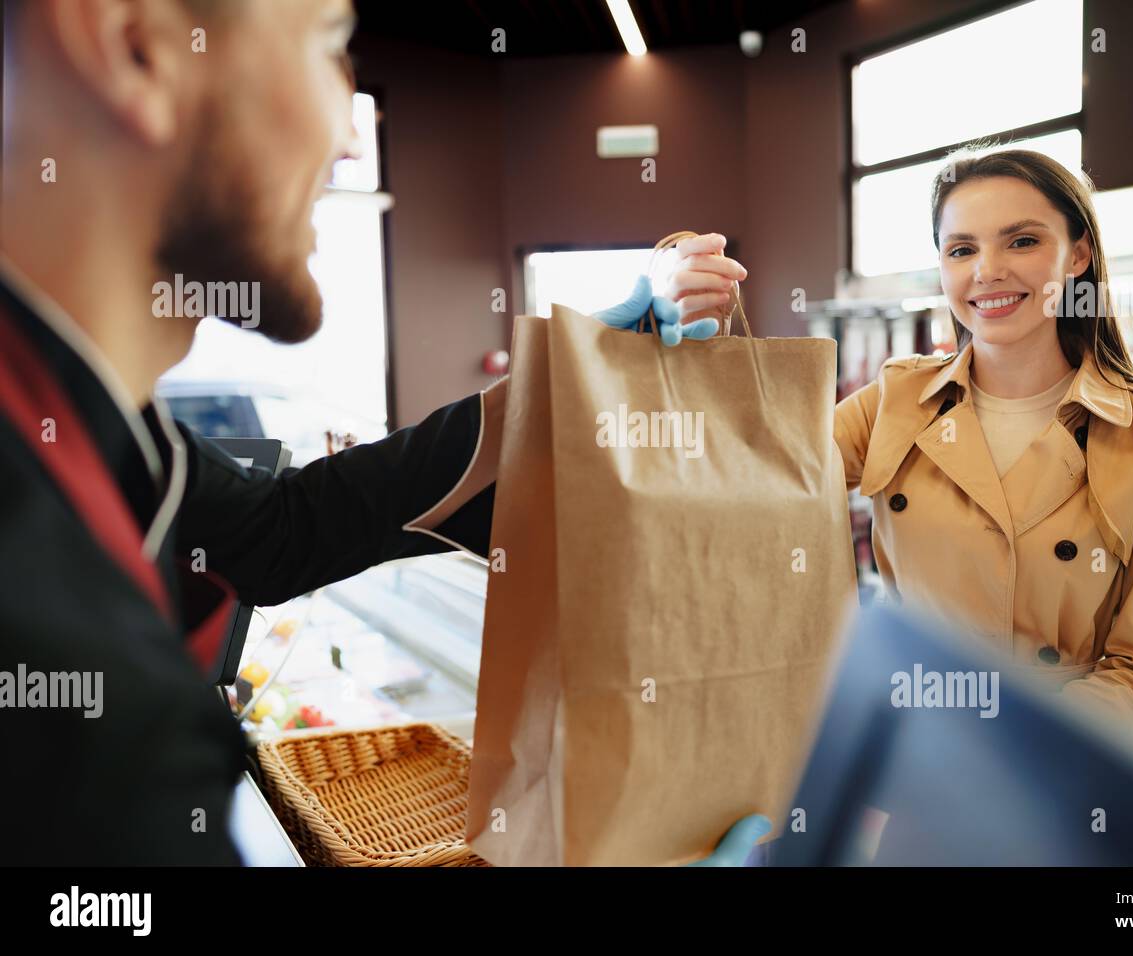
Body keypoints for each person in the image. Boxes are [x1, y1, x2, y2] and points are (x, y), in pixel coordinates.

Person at [0, 0, 732, 864]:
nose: (351, 141)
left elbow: (285, 531)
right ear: (134, 45)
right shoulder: (63, 654)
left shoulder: (104, 432)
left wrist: (568, 377)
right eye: (326, 46)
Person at [697, 150, 1133, 752]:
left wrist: (1009, 757)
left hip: (1063, 785)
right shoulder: (895, 398)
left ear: (1078, 255)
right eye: (961, 250)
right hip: (916, 761)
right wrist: (690, 334)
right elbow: (746, 485)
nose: (987, 271)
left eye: (1021, 241)